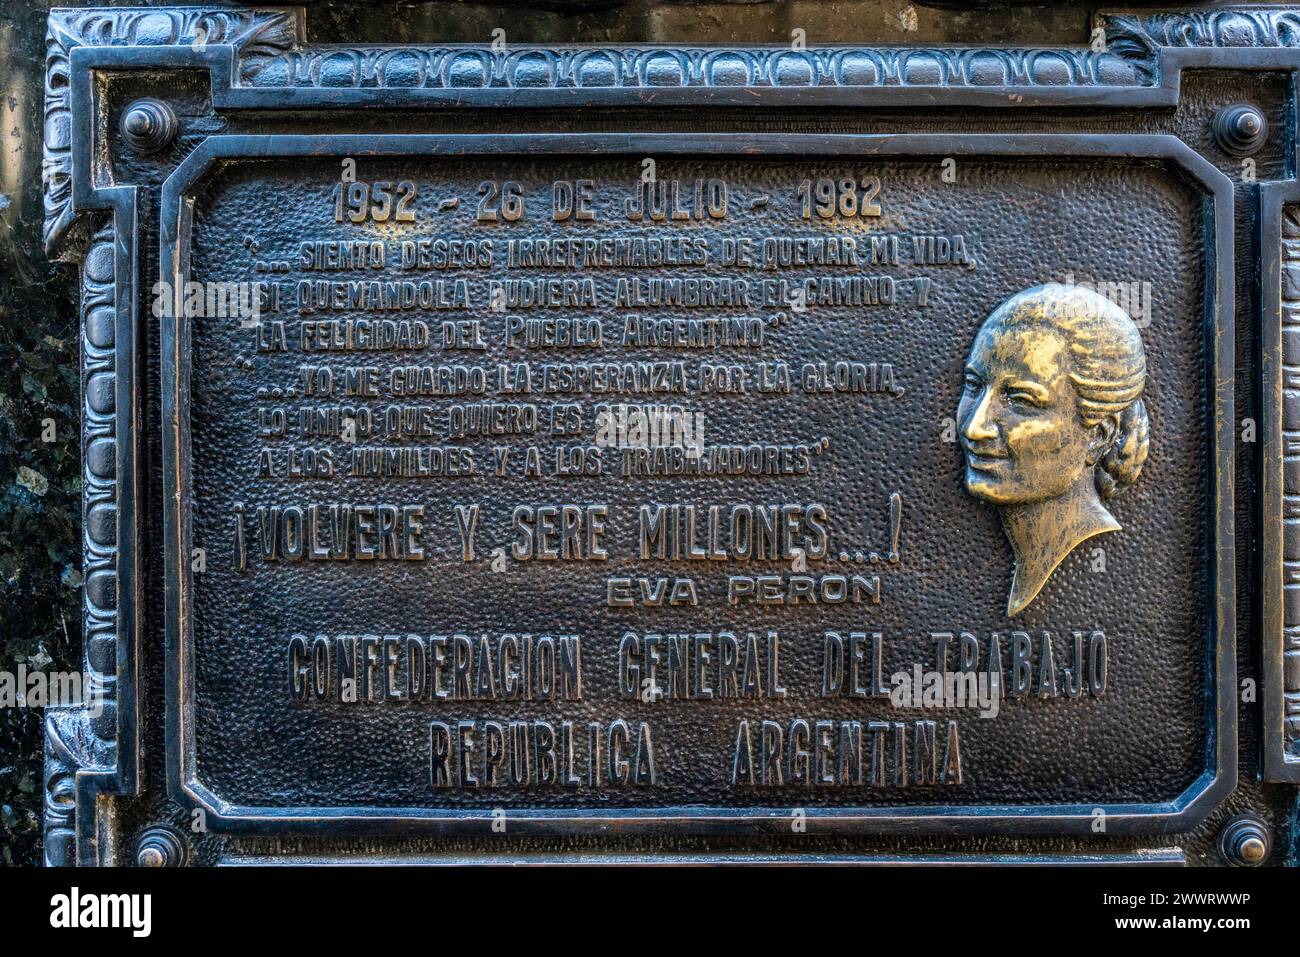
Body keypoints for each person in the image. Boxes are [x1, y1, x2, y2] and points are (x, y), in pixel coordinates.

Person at [957, 284, 1150, 616]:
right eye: (974, 386)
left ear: (1099, 435)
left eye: (1020, 401)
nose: (975, 427)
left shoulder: (1108, 576)